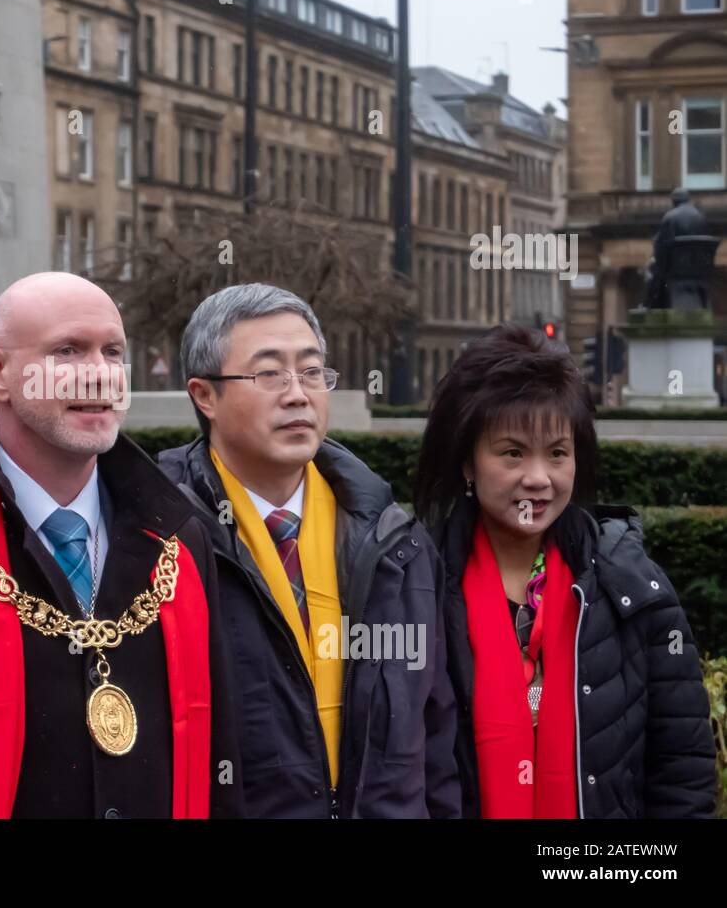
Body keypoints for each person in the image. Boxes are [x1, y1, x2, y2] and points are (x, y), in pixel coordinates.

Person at [0, 271, 243, 818]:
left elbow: (220, 763)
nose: (100, 377)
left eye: (113, 353)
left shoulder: (180, 536)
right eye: (67, 351)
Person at [158, 283, 460, 817]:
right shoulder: (160, 544)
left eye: (312, 371)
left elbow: (435, 740)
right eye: (269, 373)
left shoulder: (398, 546)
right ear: (205, 395)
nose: (297, 393)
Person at [415, 324, 717, 818]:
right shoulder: (414, 585)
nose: (538, 478)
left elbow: (682, 771)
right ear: (468, 462)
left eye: (557, 453)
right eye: (512, 452)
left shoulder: (633, 588)